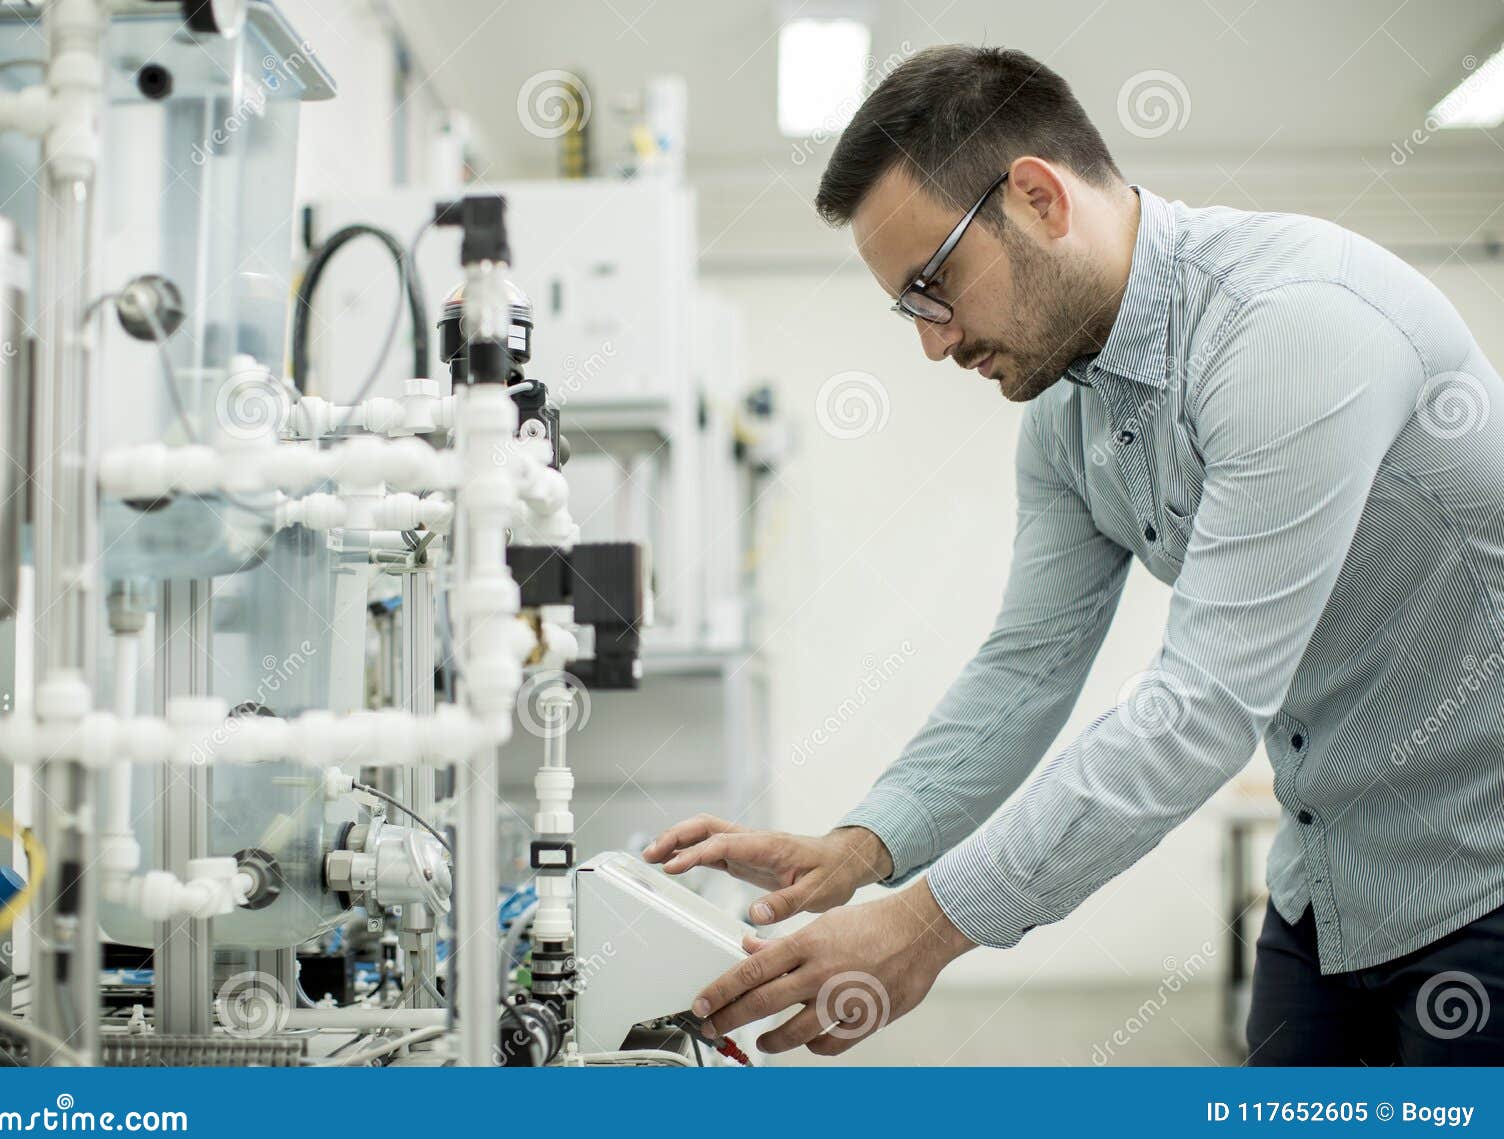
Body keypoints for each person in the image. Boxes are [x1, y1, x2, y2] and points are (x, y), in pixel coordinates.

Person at [645, 44, 1504, 1065]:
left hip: (1481, 878)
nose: (933, 341)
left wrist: (924, 926)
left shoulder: (1292, 327)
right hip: (1326, 886)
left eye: (934, 286)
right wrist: (863, 846)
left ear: (1040, 198)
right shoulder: (1067, 408)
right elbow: (1029, 661)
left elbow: (1200, 706)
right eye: (908, 308)